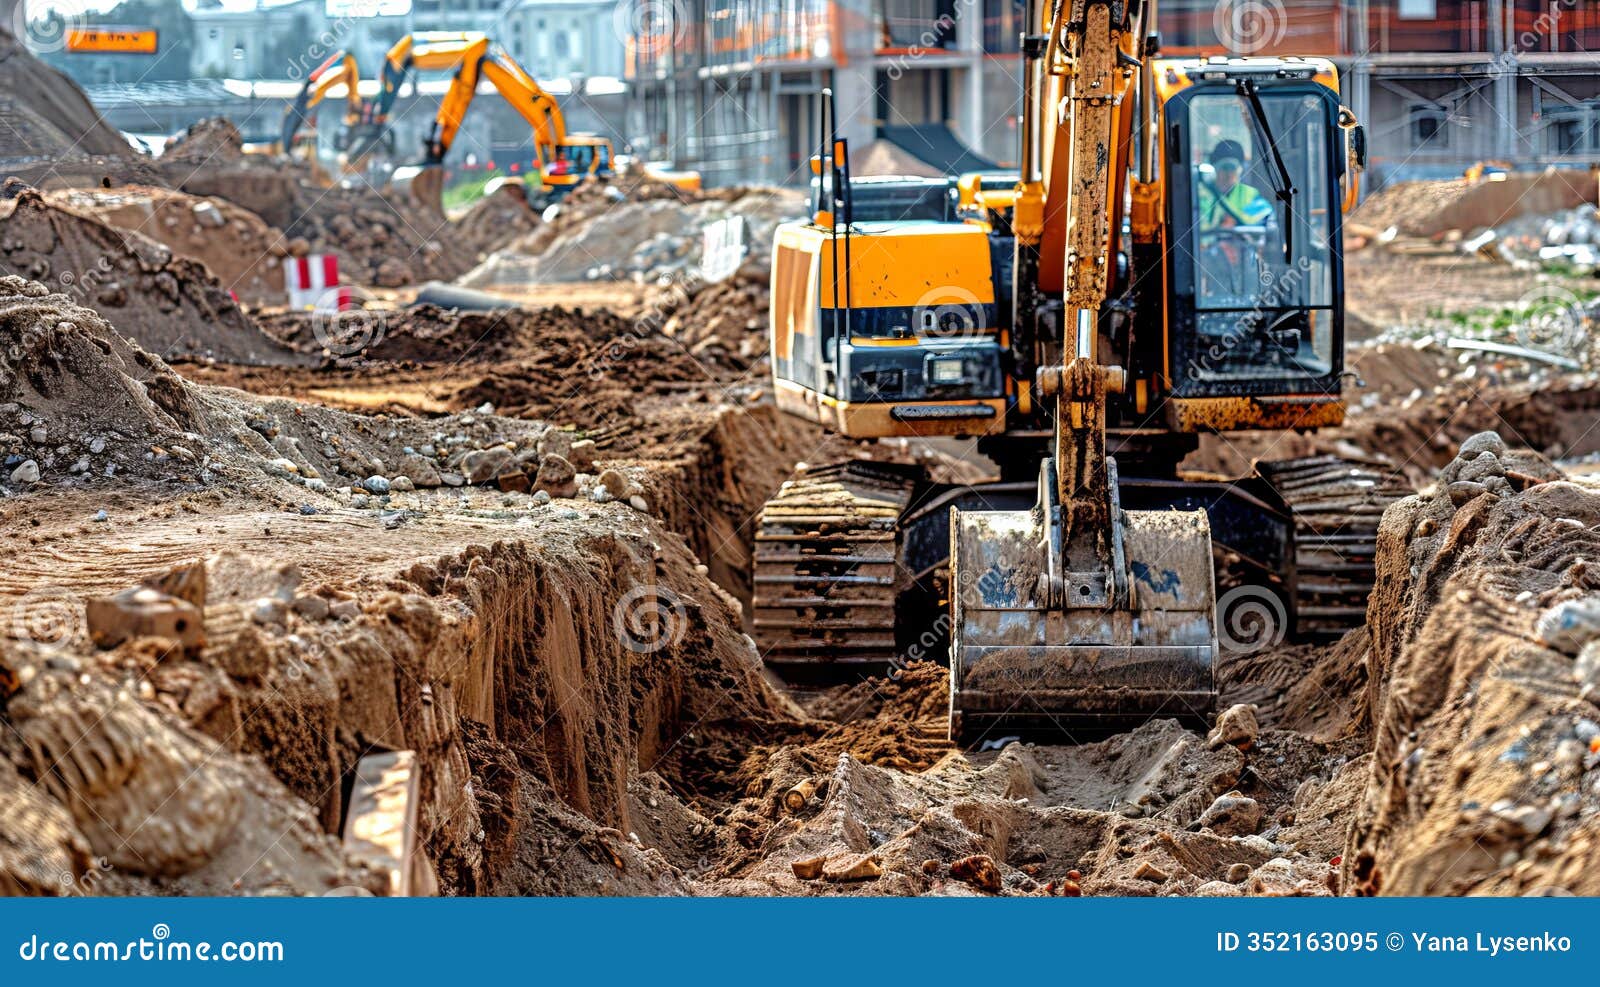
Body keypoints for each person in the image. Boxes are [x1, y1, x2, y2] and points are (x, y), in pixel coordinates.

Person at [1197, 139, 1273, 231]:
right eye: (1224, 167)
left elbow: (1265, 220)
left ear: (1240, 169)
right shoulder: (1201, 194)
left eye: (1233, 167)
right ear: (1215, 168)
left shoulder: (1250, 194)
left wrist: (1234, 222)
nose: (1229, 173)